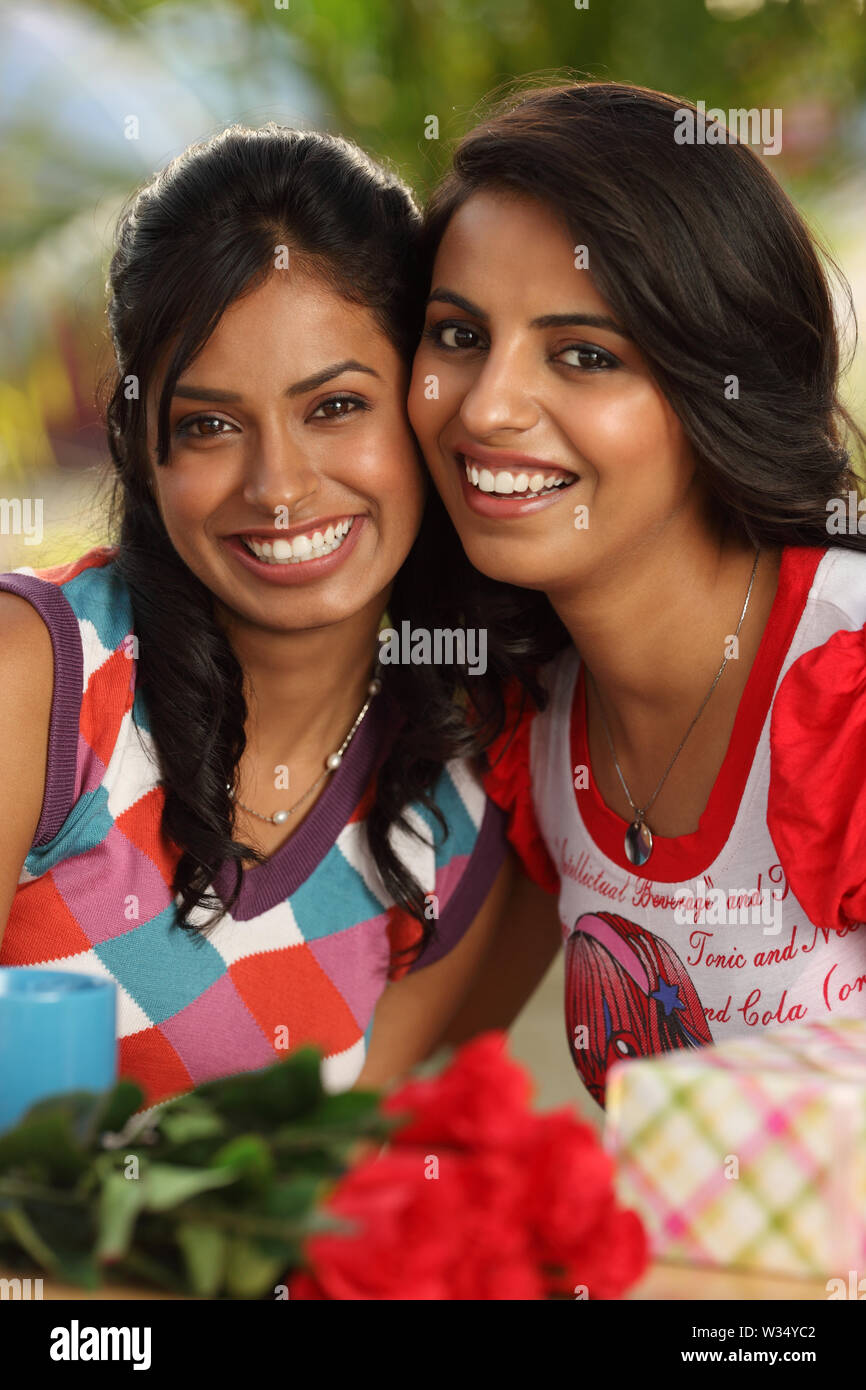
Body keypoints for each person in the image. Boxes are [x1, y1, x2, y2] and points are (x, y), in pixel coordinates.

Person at [0, 124, 542, 1114]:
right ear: (142, 449)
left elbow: (347, 1197)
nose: (279, 486)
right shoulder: (36, 680)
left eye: (334, 407)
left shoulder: (476, 792)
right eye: (208, 425)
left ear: (425, 409)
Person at [409, 80, 866, 1106]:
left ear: (714, 386)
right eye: (456, 334)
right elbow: (413, 1093)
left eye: (583, 355)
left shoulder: (847, 691)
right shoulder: (537, 725)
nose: (486, 407)